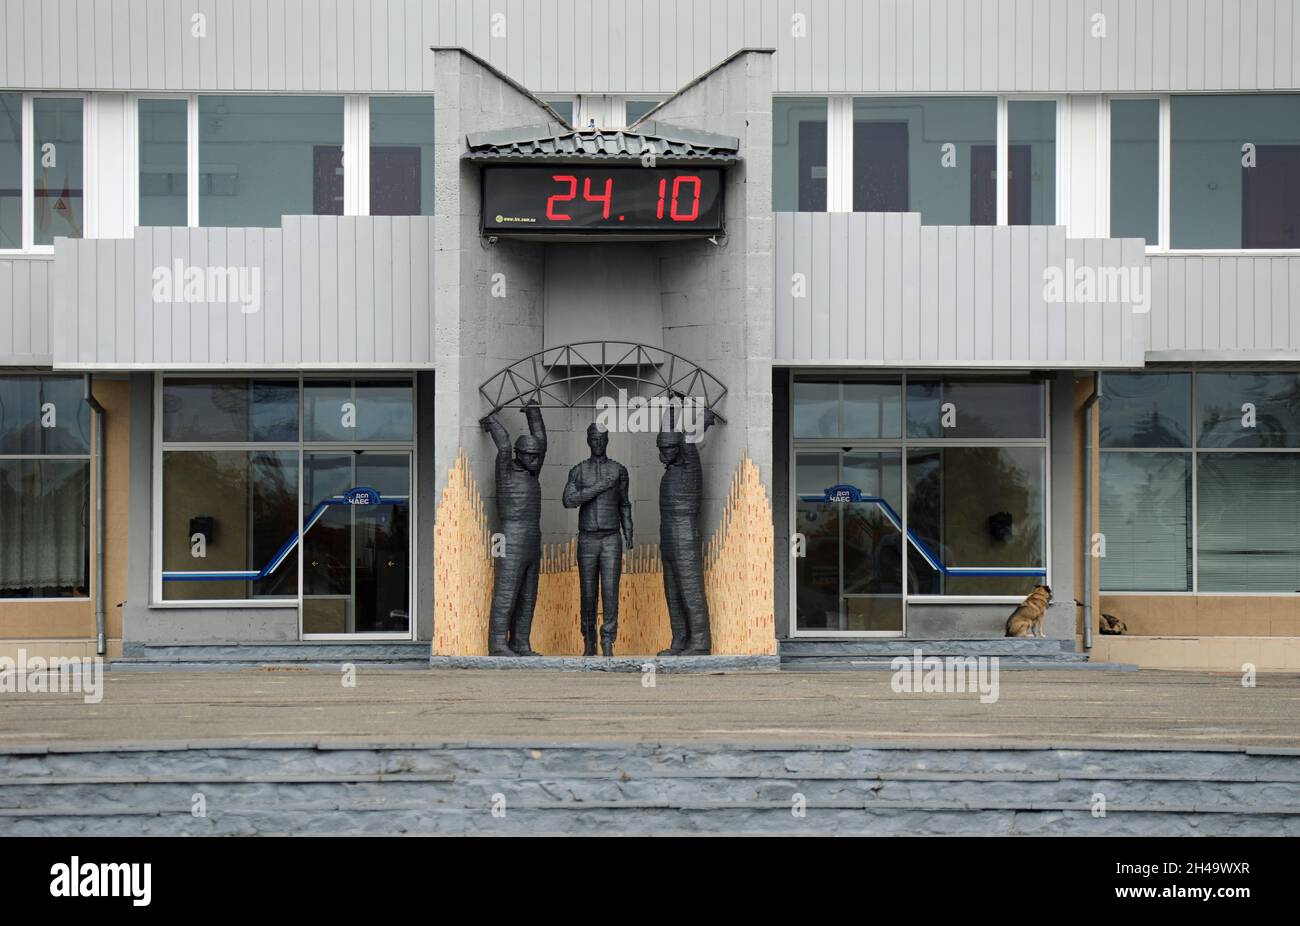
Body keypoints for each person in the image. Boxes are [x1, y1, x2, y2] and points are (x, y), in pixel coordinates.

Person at [480, 401, 547, 656]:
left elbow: (541, 439)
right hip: (511, 538)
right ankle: (498, 643)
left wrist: (533, 411)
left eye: (536, 456)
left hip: (532, 539)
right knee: (507, 592)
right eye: (530, 455)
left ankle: (520, 641)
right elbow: (505, 445)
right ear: (520, 455)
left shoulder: (533, 473)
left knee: (528, 596)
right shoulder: (506, 471)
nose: (535, 459)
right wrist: (491, 421)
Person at [563, 423, 633, 656]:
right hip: (587, 539)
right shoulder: (579, 470)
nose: (598, 443)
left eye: (602, 439)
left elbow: (624, 504)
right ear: (588, 440)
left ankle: (608, 640)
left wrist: (628, 532)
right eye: (594, 439)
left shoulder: (619, 470)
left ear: (607, 440)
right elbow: (569, 500)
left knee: (611, 591)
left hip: (611, 538)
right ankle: (589, 639)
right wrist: (598, 487)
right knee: (588, 592)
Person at [656, 406, 717, 656]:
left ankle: (700, 641)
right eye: (661, 449)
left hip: (685, 533)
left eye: (668, 448)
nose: (663, 453)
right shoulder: (671, 469)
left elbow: (689, 436)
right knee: (673, 592)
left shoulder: (689, 464)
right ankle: (680, 639)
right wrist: (670, 408)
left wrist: (703, 416)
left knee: (690, 589)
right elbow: (669, 432)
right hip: (668, 535)